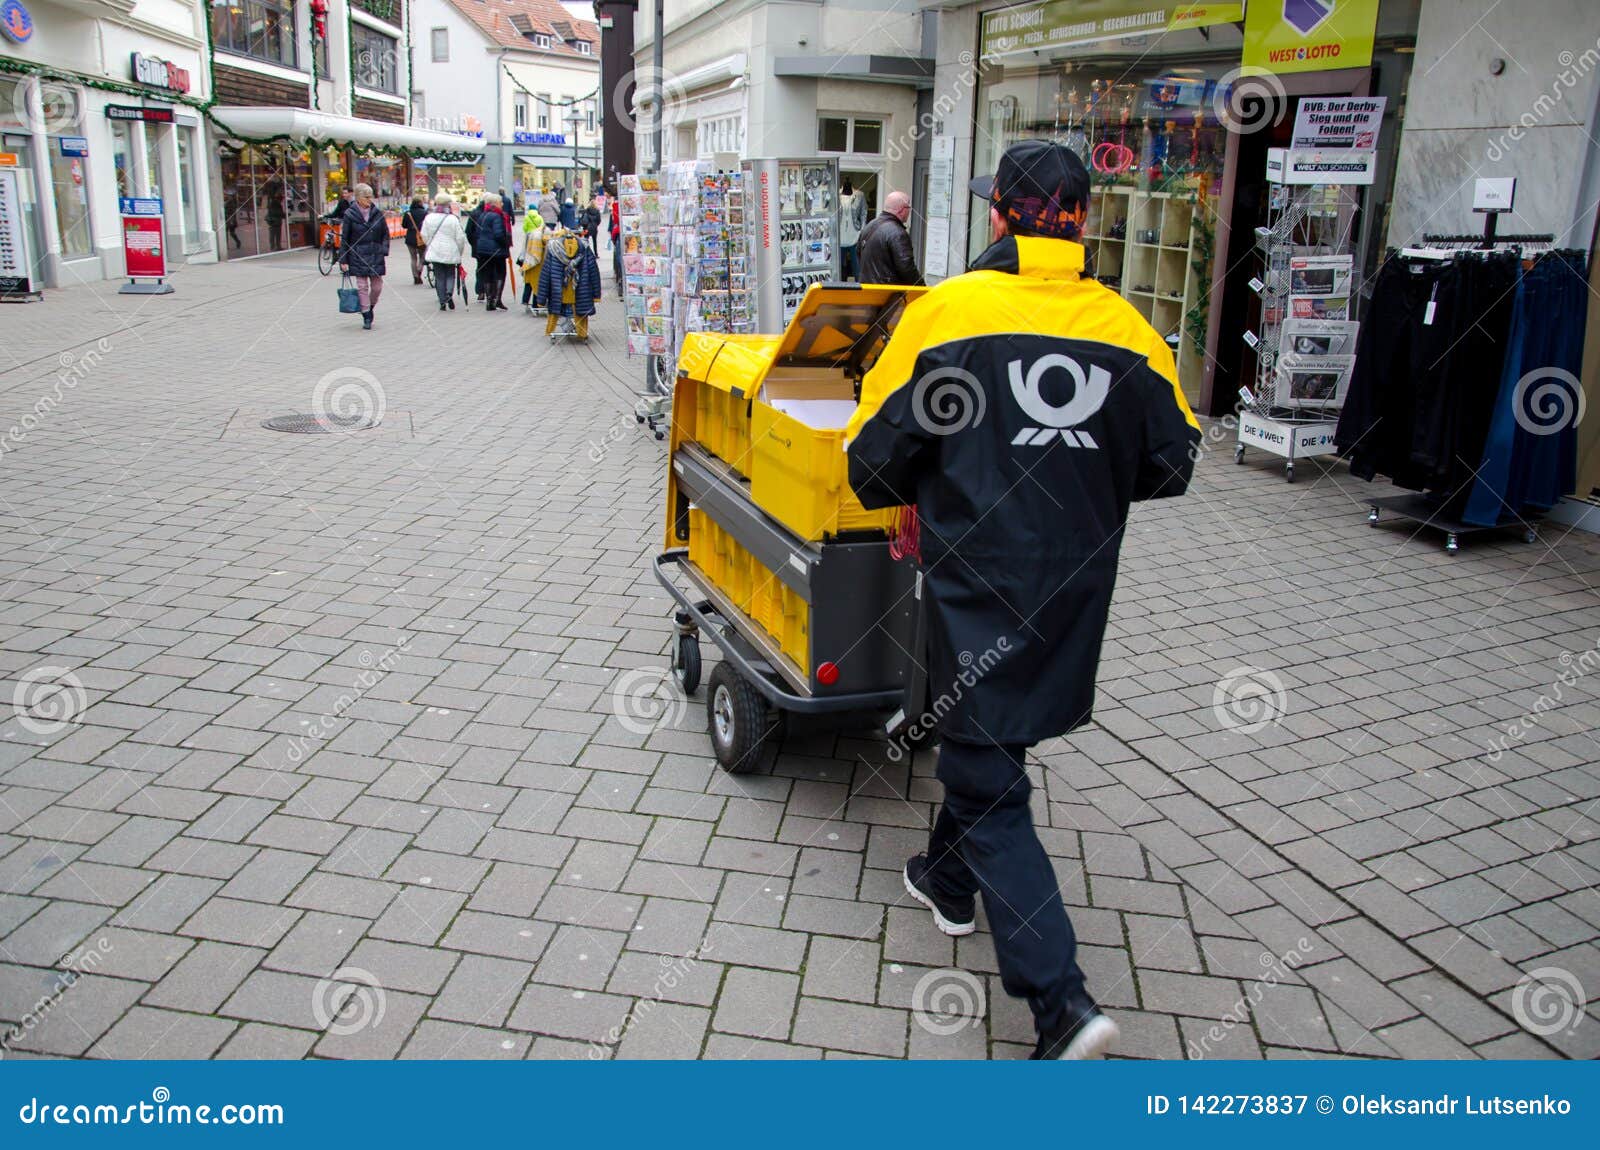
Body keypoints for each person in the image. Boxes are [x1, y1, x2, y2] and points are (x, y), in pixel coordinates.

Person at [843, 139, 1201, 1060]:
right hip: (1075, 584)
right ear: (1080, 223)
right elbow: (1174, 462)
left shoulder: (948, 312)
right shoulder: (1128, 326)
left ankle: (1062, 1007)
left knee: (988, 778)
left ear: (1001, 215)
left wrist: (941, 478)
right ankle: (946, 880)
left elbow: (871, 457)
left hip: (976, 582)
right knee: (988, 742)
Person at [337, 182, 391, 329]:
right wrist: (343, 259)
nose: (370, 200)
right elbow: (345, 238)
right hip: (358, 254)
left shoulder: (377, 213)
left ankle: (370, 306)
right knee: (362, 286)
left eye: (371, 197)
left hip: (375, 254)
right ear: (358, 197)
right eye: (367, 197)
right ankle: (366, 314)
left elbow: (385, 233)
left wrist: (384, 249)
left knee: (377, 287)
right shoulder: (350, 214)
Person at [539, 228, 601, 339]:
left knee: (554, 313)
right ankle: (582, 333)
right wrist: (596, 295)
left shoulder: (553, 249)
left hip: (558, 292)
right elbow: (594, 272)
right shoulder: (585, 249)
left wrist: (541, 299)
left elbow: (545, 275)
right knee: (581, 313)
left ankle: (550, 331)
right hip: (580, 292)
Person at [858, 190, 920, 285]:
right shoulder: (898, 233)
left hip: (867, 288)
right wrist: (922, 288)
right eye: (909, 207)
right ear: (902, 210)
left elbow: (859, 253)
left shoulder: (869, 225)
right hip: (888, 293)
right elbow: (907, 269)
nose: (909, 211)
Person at [420, 192, 469, 311]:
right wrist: (460, 251)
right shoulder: (452, 219)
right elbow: (460, 238)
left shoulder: (429, 217)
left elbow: (424, 234)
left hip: (435, 251)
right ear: (448, 204)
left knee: (439, 276)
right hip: (450, 250)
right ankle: (448, 294)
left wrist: (430, 244)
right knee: (450, 274)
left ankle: (442, 301)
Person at [475, 196, 512, 311]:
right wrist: (506, 243)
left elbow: (477, 232)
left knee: (487, 274)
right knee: (501, 273)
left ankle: (489, 300)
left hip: (483, 249)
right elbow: (498, 234)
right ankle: (497, 299)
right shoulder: (497, 216)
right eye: (500, 202)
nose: (502, 204)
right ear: (495, 204)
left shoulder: (483, 215)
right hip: (496, 250)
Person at [520, 218, 550, 313]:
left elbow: (524, 227)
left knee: (530, 283)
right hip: (538, 264)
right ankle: (536, 304)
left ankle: (525, 300)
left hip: (529, 263)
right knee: (538, 284)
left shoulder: (531, 233)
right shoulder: (541, 236)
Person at [838, 179, 867, 281]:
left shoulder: (860, 195)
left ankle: (859, 292)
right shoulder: (836, 195)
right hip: (839, 238)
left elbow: (864, 214)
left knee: (857, 269)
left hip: (855, 236)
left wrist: (862, 232)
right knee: (839, 271)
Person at [401, 195, 428, 284]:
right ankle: (419, 270)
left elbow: (404, 225)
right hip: (422, 237)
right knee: (422, 256)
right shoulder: (425, 213)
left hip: (410, 238)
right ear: (420, 203)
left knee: (413, 258)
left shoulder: (408, 213)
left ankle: (415, 276)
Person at [609, 196, 623, 299]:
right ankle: (621, 283)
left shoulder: (615, 208)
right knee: (620, 260)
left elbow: (612, 226)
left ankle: (621, 282)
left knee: (619, 260)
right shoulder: (616, 207)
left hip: (618, 235)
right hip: (618, 235)